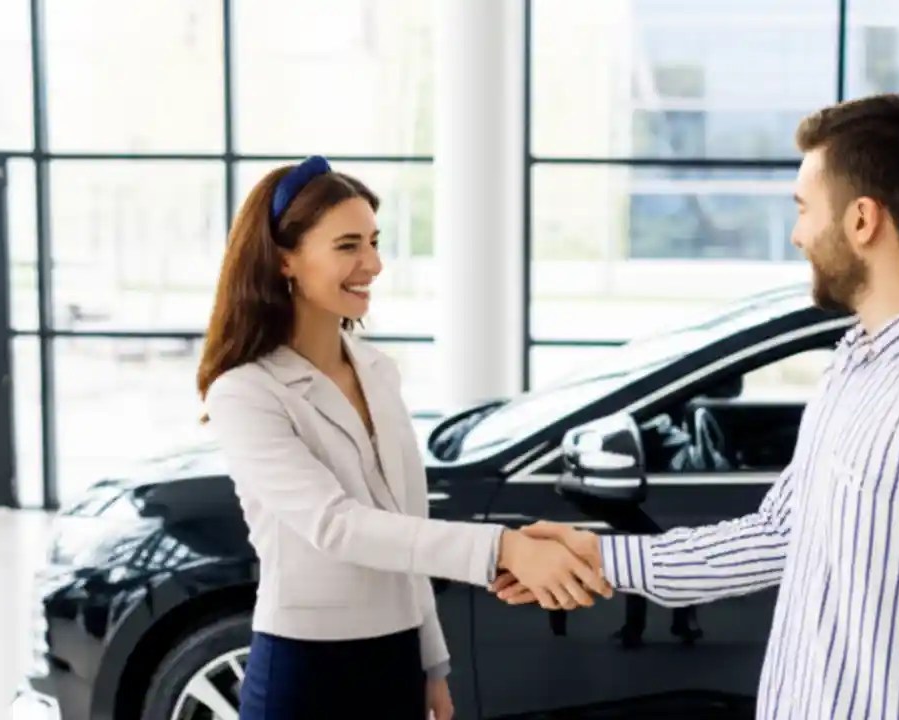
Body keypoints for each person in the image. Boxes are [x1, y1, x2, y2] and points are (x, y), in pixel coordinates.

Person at [492, 94, 899, 719]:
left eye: (803, 209)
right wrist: (599, 557)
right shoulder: (856, 366)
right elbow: (777, 535)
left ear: (862, 220)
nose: (796, 235)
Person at [197, 156, 611, 719]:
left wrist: (431, 664)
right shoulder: (245, 393)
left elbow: (404, 519)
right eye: (347, 246)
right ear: (284, 260)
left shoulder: (377, 370)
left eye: (373, 241)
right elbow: (336, 525)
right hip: (305, 670)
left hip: (395, 661)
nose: (373, 263)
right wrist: (502, 550)